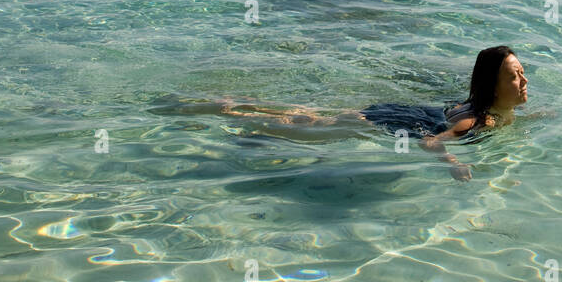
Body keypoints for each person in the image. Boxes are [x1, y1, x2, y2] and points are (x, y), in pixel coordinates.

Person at [221, 46, 528, 183]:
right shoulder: (475, 120)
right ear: (494, 87)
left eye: (523, 72)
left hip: (395, 113)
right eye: (515, 76)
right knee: (310, 131)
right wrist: (455, 164)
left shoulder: (485, 109)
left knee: (316, 118)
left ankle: (250, 105)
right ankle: (239, 114)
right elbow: (430, 143)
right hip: (382, 121)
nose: (524, 81)